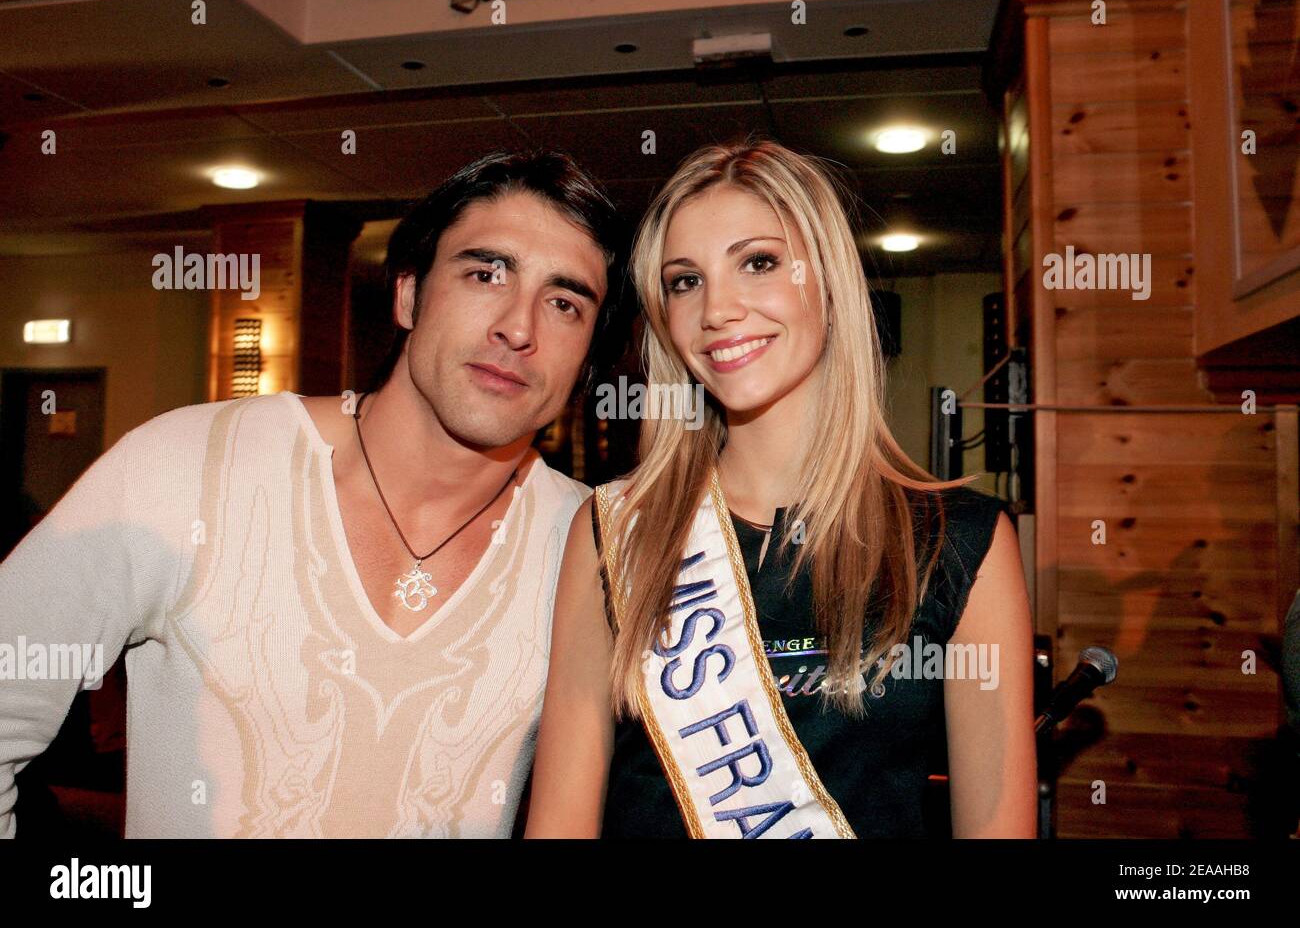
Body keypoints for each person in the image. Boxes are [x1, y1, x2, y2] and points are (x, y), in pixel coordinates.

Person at [0, 149, 630, 838]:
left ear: (587, 356)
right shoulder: (189, 467)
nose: (519, 327)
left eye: (565, 303)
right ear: (409, 294)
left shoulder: (597, 546)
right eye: (485, 273)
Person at [525, 137, 1037, 839]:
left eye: (758, 263)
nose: (717, 310)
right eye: (684, 281)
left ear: (826, 280)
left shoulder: (962, 541)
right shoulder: (615, 530)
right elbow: (560, 824)